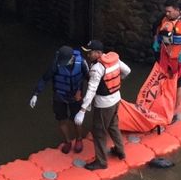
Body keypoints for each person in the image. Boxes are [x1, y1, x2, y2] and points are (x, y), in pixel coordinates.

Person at [74, 40, 131, 170]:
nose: (88, 54)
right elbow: (127, 70)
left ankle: (101, 161)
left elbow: (91, 90)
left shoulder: (96, 69)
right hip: (116, 99)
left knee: (98, 132)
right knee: (113, 126)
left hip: (104, 105)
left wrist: (82, 110)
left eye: (90, 52)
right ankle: (120, 151)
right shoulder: (113, 60)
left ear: (99, 53)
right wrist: (118, 80)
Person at [29, 46, 89, 154]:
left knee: (77, 120)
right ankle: (67, 141)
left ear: (71, 58)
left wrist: (85, 96)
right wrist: (36, 94)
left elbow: (90, 79)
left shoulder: (82, 63)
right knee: (61, 119)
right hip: (59, 96)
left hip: (76, 96)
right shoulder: (56, 64)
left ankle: (79, 139)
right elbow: (44, 79)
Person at [152, 0, 181, 118]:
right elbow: (154, 27)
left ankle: (175, 109)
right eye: (166, 11)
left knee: (179, 81)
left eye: (169, 11)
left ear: (177, 10)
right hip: (165, 53)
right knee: (163, 77)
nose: (167, 14)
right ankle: (161, 103)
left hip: (179, 55)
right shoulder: (163, 17)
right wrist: (155, 41)